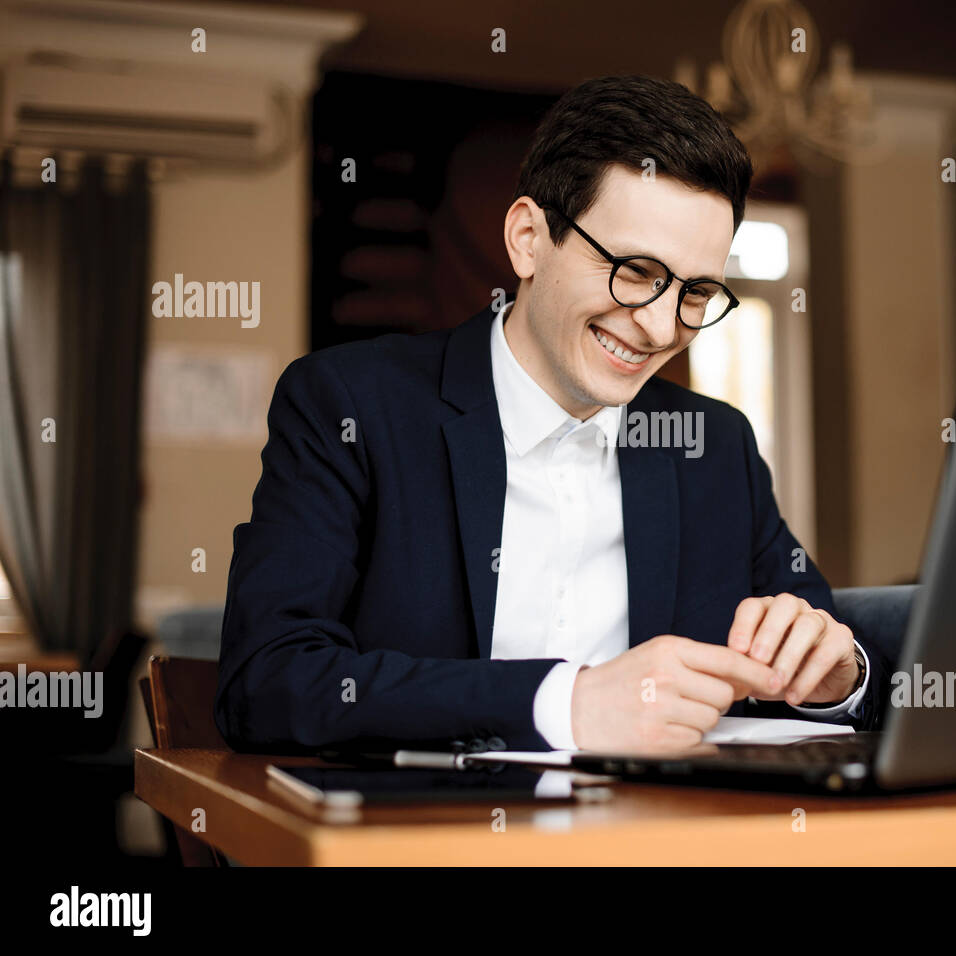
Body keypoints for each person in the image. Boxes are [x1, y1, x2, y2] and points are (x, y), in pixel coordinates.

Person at [216, 74, 885, 754]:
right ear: (529, 239)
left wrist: (839, 674)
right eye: (635, 270)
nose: (659, 328)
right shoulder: (349, 405)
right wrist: (565, 703)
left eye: (696, 291)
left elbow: (827, 645)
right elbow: (267, 680)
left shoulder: (715, 445)